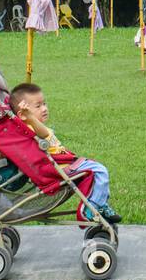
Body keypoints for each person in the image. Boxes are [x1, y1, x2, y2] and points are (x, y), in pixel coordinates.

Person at [8, 82, 121, 224]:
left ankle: (100, 204)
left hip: (63, 164)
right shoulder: (29, 127)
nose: (44, 109)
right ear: (23, 115)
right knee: (100, 171)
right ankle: (91, 208)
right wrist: (30, 118)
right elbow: (42, 134)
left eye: (44, 104)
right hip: (57, 169)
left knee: (97, 171)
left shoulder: (33, 125)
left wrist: (31, 116)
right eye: (38, 106)